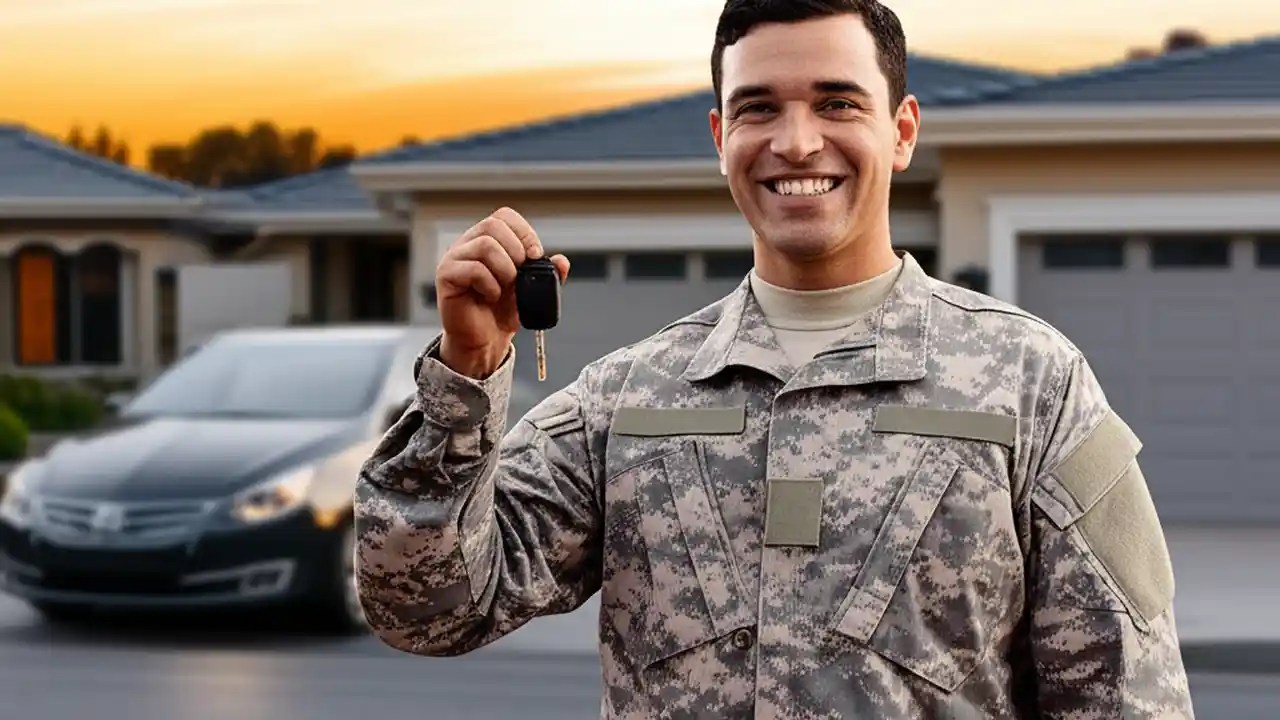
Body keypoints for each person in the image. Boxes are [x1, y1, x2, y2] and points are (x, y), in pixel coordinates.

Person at [353, 0, 1196, 717]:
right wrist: (466, 375)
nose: (796, 142)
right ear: (721, 136)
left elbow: (1128, 693)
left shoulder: (1031, 382)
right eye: (759, 108)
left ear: (901, 132)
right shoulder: (630, 398)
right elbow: (426, 610)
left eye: (837, 103)